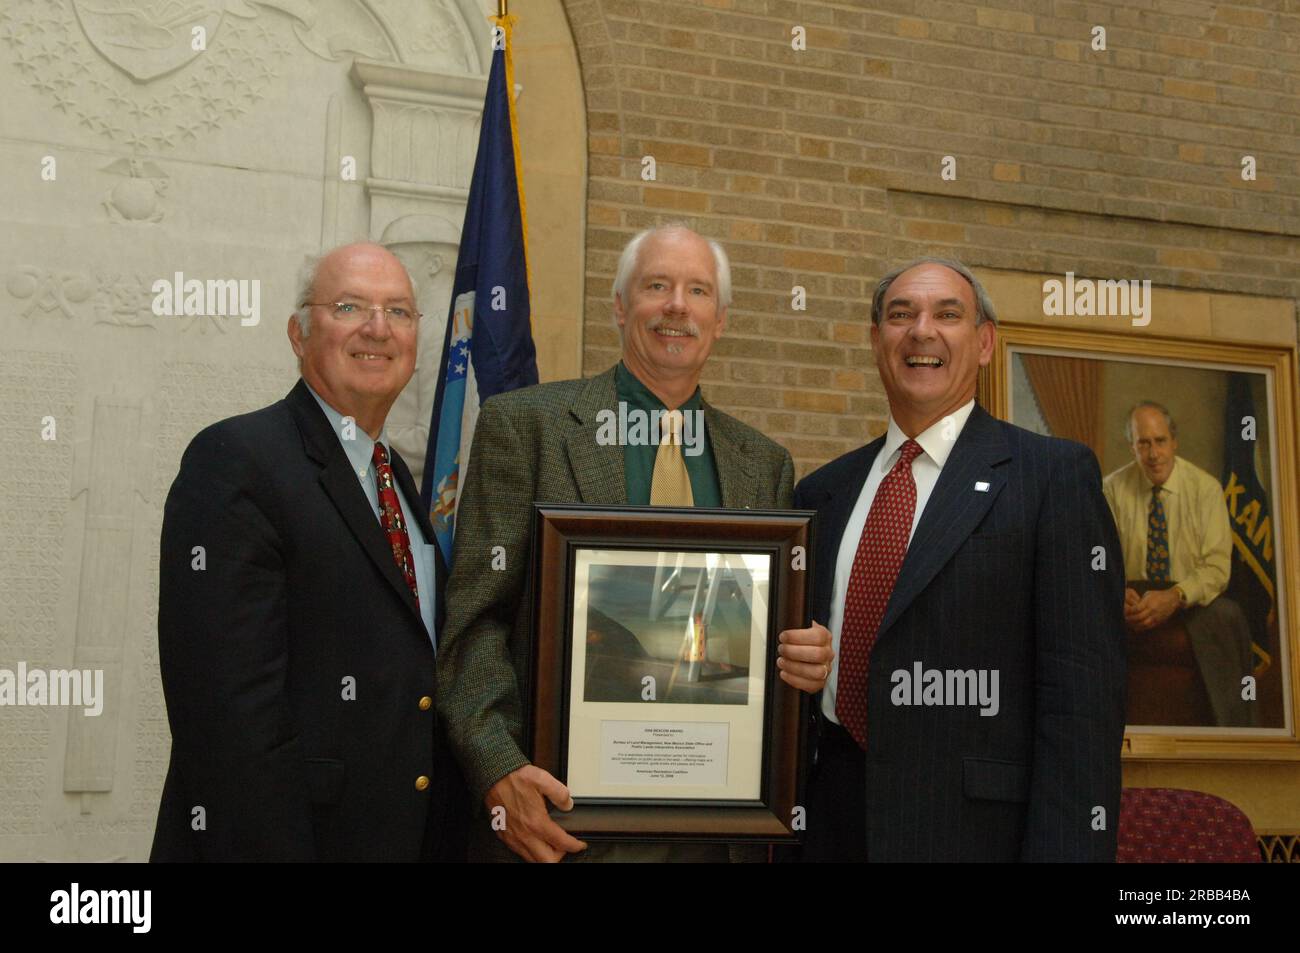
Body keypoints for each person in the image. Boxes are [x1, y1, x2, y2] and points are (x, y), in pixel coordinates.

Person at [436, 223, 833, 862]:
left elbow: (758, 636)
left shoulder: (764, 463)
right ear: (621, 307)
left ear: (721, 319)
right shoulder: (525, 426)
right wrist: (498, 768)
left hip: (717, 830)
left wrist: (802, 653)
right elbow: (476, 624)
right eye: (657, 286)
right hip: (560, 822)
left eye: (698, 291)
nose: (678, 305)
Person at [793, 258, 1126, 862]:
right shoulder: (820, 493)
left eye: (948, 314)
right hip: (830, 829)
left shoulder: (1052, 477)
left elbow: (1082, 708)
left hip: (977, 837)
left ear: (984, 343)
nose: (922, 331)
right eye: (901, 315)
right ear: (876, 341)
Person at [151, 242, 467, 861]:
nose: (378, 328)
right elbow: (229, 719)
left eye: (399, 312)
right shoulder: (238, 460)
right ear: (298, 333)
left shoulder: (394, 477)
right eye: (350, 306)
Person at [1103, 401, 1256, 726]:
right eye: (1143, 443)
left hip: (1190, 598)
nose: (1154, 453)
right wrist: (1116, 592)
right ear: (1132, 446)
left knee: (1229, 615)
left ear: (1174, 441)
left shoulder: (1206, 489)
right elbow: (1097, 560)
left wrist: (1175, 596)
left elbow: (1217, 568)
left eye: (1160, 441)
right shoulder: (1111, 489)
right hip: (1130, 597)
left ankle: (1232, 734)